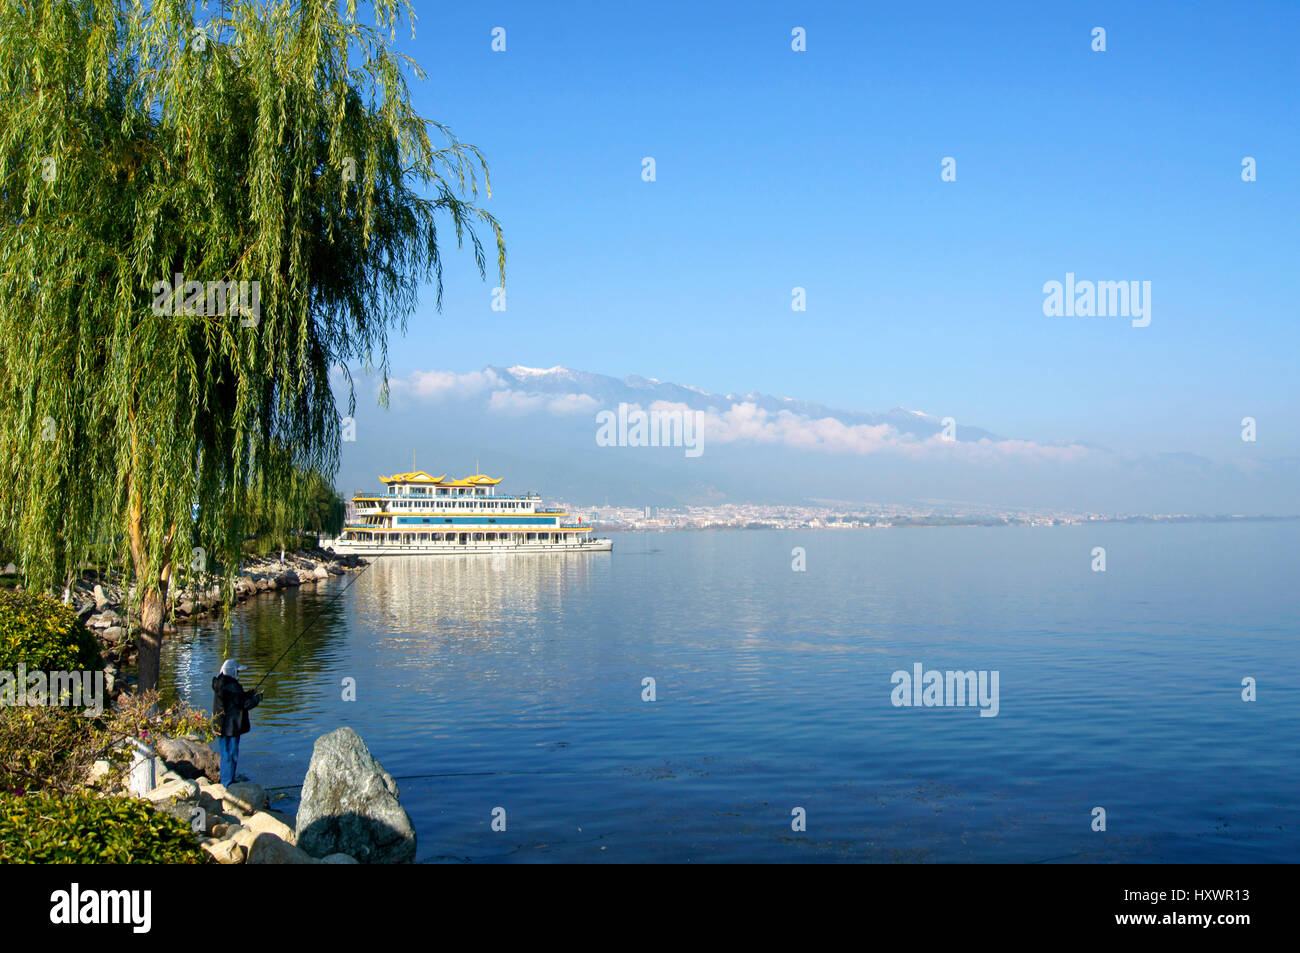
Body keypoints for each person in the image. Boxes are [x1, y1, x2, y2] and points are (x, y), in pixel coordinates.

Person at [211, 659, 263, 786]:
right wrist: (257, 699)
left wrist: (249, 693)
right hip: (230, 727)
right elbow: (244, 704)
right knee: (230, 754)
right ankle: (227, 783)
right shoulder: (232, 686)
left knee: (226, 753)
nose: (238, 674)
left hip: (222, 725)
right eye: (237, 671)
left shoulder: (221, 683)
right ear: (232, 671)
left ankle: (228, 779)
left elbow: (236, 699)